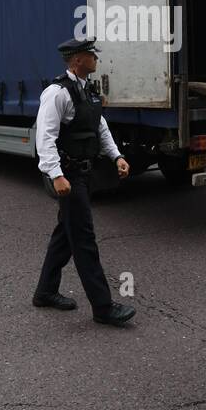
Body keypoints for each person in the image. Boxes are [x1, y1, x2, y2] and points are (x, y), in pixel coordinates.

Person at [32, 37, 134, 327]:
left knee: (65, 235)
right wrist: (56, 174)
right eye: (90, 54)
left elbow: (100, 127)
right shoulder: (57, 93)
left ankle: (45, 292)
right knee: (84, 239)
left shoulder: (87, 90)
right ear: (77, 59)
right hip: (68, 176)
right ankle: (103, 307)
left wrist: (117, 157)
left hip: (83, 174)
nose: (95, 58)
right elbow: (45, 137)